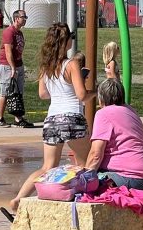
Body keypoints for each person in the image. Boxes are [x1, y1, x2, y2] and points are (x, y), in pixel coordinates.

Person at [6, 23, 92, 215]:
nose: (72, 39)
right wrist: (94, 92)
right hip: (72, 118)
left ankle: (19, 198)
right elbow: (81, 95)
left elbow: (43, 94)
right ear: (65, 42)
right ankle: (82, 201)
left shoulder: (47, 66)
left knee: (47, 167)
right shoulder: (72, 64)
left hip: (52, 120)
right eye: (70, 36)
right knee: (86, 162)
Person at [86, 78, 143, 191]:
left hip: (134, 178)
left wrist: (84, 178)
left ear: (101, 98)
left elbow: (95, 154)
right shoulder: (130, 110)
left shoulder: (103, 114)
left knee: (82, 182)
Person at [0, 10, 32, 128]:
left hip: (18, 65)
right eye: (23, 17)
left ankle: (18, 119)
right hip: (6, 66)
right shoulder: (9, 32)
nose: (25, 19)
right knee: (5, 92)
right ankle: (0, 119)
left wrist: (19, 67)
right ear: (16, 18)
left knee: (18, 93)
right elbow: (8, 52)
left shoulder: (19, 33)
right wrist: (12, 68)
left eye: (25, 17)